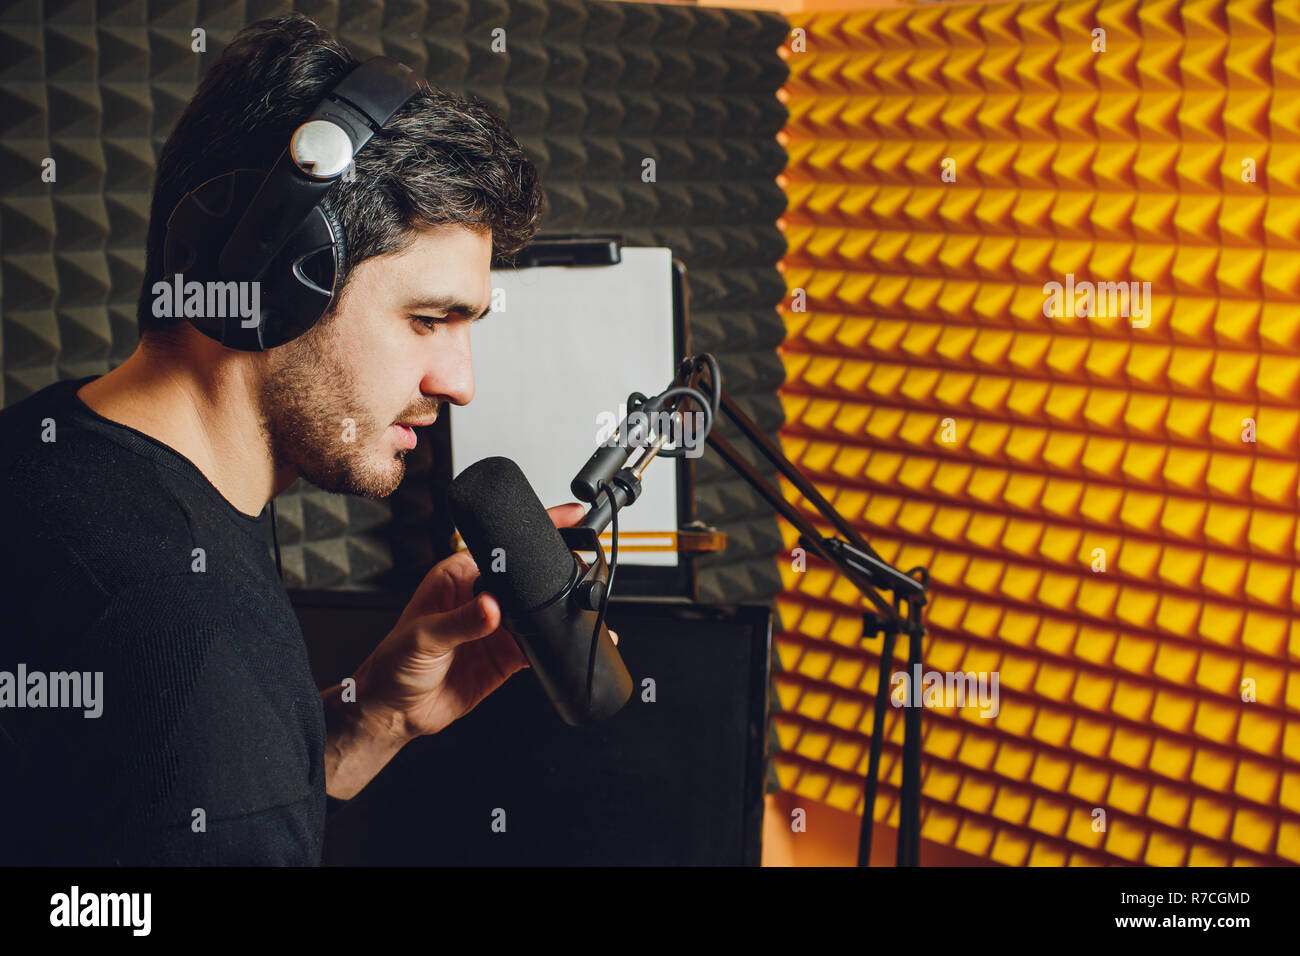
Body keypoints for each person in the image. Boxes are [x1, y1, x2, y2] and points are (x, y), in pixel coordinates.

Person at [0, 13, 593, 865]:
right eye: (428, 319)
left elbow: (142, 808)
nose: (458, 383)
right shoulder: (191, 639)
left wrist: (373, 716)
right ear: (273, 279)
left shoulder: (50, 449)